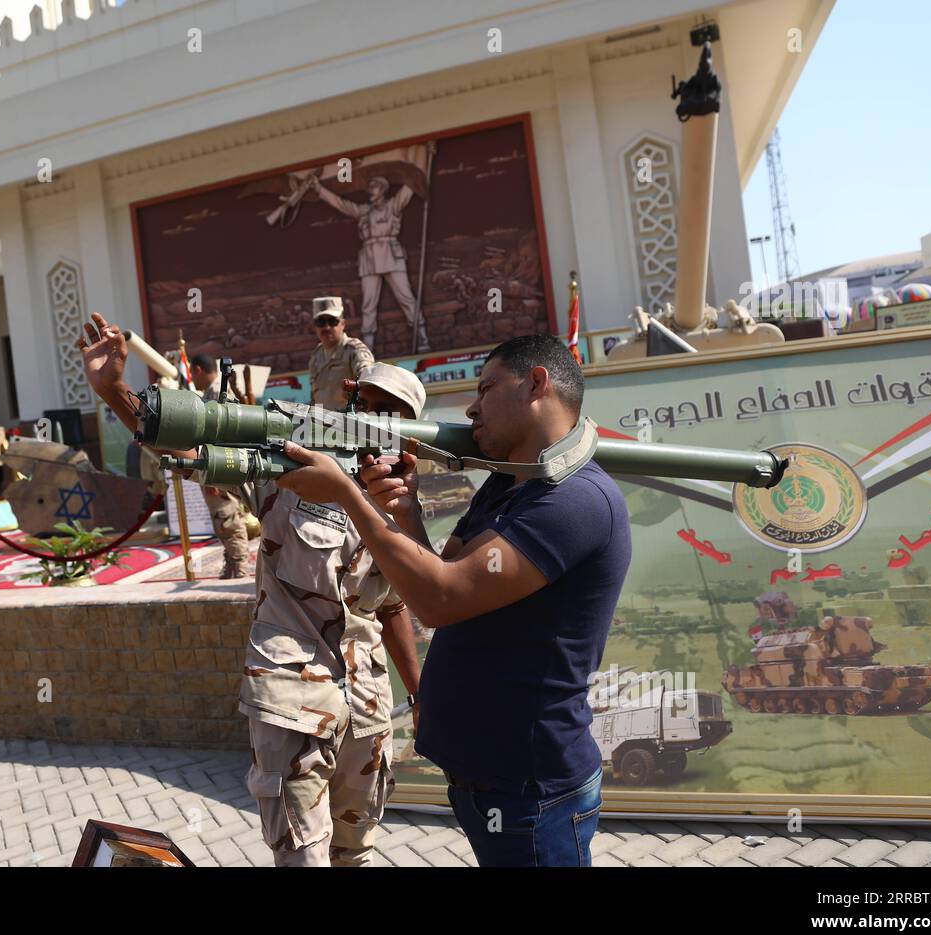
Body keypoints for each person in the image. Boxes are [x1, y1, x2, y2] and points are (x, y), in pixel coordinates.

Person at [76, 312, 424, 866]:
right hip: (293, 698)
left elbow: (396, 606)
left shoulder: (405, 509)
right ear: (352, 404)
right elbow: (183, 453)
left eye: (397, 416)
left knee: (354, 856)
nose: (381, 423)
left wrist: (419, 693)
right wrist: (114, 388)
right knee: (302, 860)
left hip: (368, 708)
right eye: (375, 406)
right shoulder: (287, 470)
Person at [273, 334, 632, 867]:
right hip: (490, 780)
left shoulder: (574, 501)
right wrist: (404, 511)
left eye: (486, 388)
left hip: (529, 787)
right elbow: (439, 571)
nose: (471, 406)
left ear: (537, 384)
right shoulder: (510, 485)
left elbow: (440, 599)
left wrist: (348, 496)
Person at [309, 176, 431, 352]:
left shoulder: (392, 206)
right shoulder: (363, 211)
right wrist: (318, 188)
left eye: (373, 187)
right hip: (369, 259)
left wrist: (418, 165)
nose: (370, 191)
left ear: (382, 190)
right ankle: (368, 348)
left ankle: (422, 336)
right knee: (368, 305)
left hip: (391, 255)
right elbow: (340, 203)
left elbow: (410, 185)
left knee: (407, 298)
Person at [188, 353, 251, 578]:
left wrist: (212, 474)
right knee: (223, 518)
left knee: (227, 517)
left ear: (197, 369)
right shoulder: (214, 390)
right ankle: (232, 563)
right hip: (218, 463)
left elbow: (220, 433)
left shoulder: (217, 392)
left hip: (220, 464)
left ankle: (240, 566)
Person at [307, 296, 374, 410]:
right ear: (315, 327)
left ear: (343, 324)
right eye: (321, 322)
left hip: (350, 424)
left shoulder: (355, 350)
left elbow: (368, 380)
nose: (327, 327)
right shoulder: (316, 356)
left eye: (333, 321)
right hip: (322, 424)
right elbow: (315, 397)